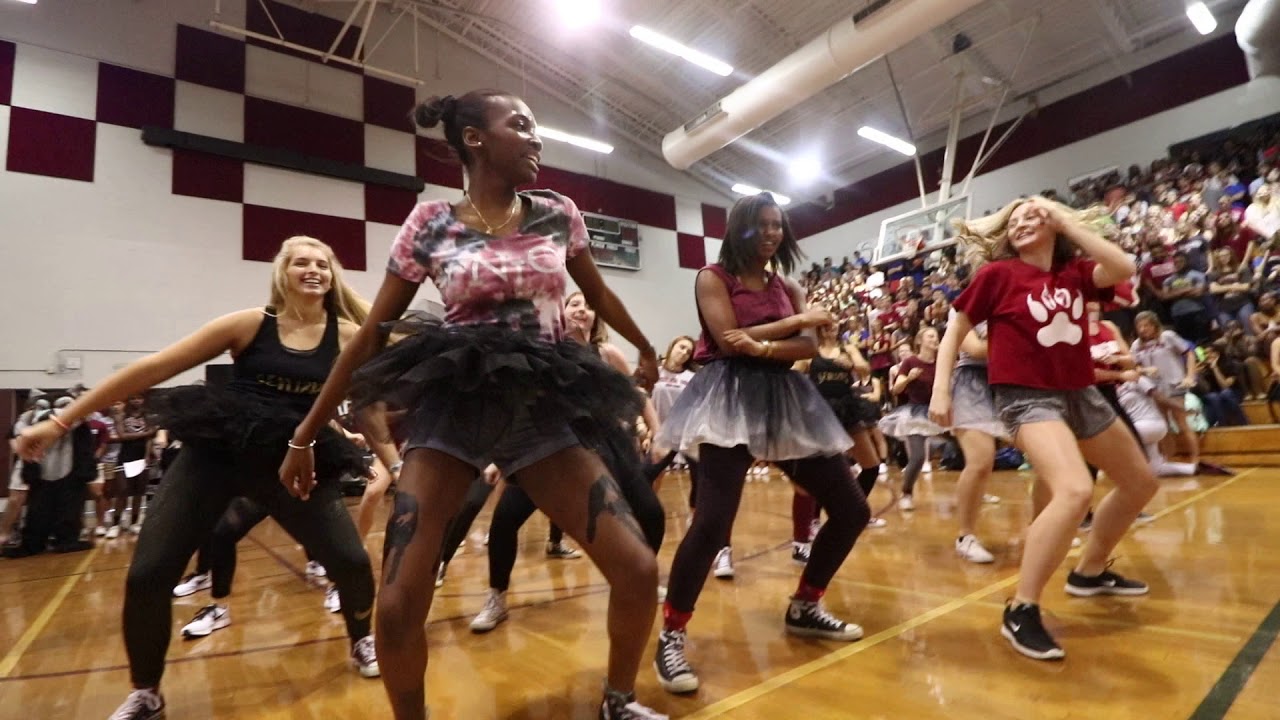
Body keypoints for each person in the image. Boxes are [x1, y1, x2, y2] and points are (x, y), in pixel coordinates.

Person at [277, 90, 666, 720]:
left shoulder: (557, 212)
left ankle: (618, 701)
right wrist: (304, 435)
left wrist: (647, 347)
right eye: (522, 125)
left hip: (543, 402)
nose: (537, 139)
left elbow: (598, 292)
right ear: (475, 139)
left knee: (638, 569)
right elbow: (373, 331)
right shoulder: (431, 223)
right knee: (400, 602)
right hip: (453, 404)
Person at [14, 236, 381, 720]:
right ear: (282, 273)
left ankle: (361, 639)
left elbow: (369, 402)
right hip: (218, 455)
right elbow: (153, 368)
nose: (313, 270)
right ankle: (147, 692)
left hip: (292, 461)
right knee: (148, 574)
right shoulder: (250, 324)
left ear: (331, 277)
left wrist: (389, 459)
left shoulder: (349, 334)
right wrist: (62, 421)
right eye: (300, 263)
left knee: (352, 563)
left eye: (322, 264)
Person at [651, 192, 871, 695]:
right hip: (728, 396)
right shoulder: (713, 276)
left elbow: (808, 349)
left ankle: (806, 604)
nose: (772, 233)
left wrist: (770, 343)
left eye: (778, 226)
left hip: (784, 396)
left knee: (851, 508)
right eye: (762, 225)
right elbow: (729, 339)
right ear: (740, 229)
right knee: (711, 525)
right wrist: (795, 324)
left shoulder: (787, 285)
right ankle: (672, 633)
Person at [931, 196, 1158, 661]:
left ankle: (1090, 571)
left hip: (1080, 393)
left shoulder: (1073, 275)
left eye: (1032, 216)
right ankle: (1021, 606)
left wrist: (1066, 224)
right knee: (1073, 491)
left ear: (1055, 225)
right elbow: (955, 332)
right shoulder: (997, 275)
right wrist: (941, 392)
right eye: (1013, 220)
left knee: (1141, 482)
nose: (1021, 224)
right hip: (1026, 397)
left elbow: (1122, 266)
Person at [878, 326, 945, 511]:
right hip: (917, 413)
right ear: (920, 341)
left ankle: (976, 490)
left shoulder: (943, 361)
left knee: (970, 449)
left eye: (936, 336)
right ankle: (906, 492)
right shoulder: (910, 362)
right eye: (931, 336)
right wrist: (909, 378)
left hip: (941, 411)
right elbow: (896, 389)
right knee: (917, 457)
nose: (935, 339)